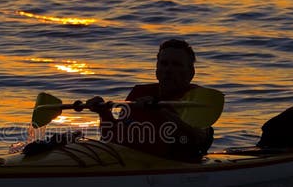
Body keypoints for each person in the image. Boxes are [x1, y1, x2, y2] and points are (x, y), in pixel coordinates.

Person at [87, 38, 224, 161]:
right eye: (164, 64)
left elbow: (199, 139)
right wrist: (104, 112)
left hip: (173, 164)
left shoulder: (196, 100)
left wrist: (161, 111)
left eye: (176, 65)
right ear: (156, 70)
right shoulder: (139, 93)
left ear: (190, 72)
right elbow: (112, 137)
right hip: (124, 159)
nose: (168, 70)